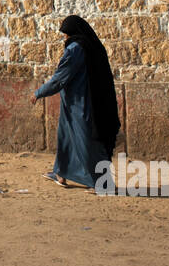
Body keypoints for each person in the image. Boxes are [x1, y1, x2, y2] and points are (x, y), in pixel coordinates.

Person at [30, 15, 121, 189]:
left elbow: (60, 78)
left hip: (81, 105)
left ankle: (102, 182)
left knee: (86, 142)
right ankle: (60, 173)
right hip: (78, 102)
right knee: (65, 138)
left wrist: (39, 93)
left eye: (66, 35)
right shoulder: (91, 46)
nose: (65, 39)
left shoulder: (75, 49)